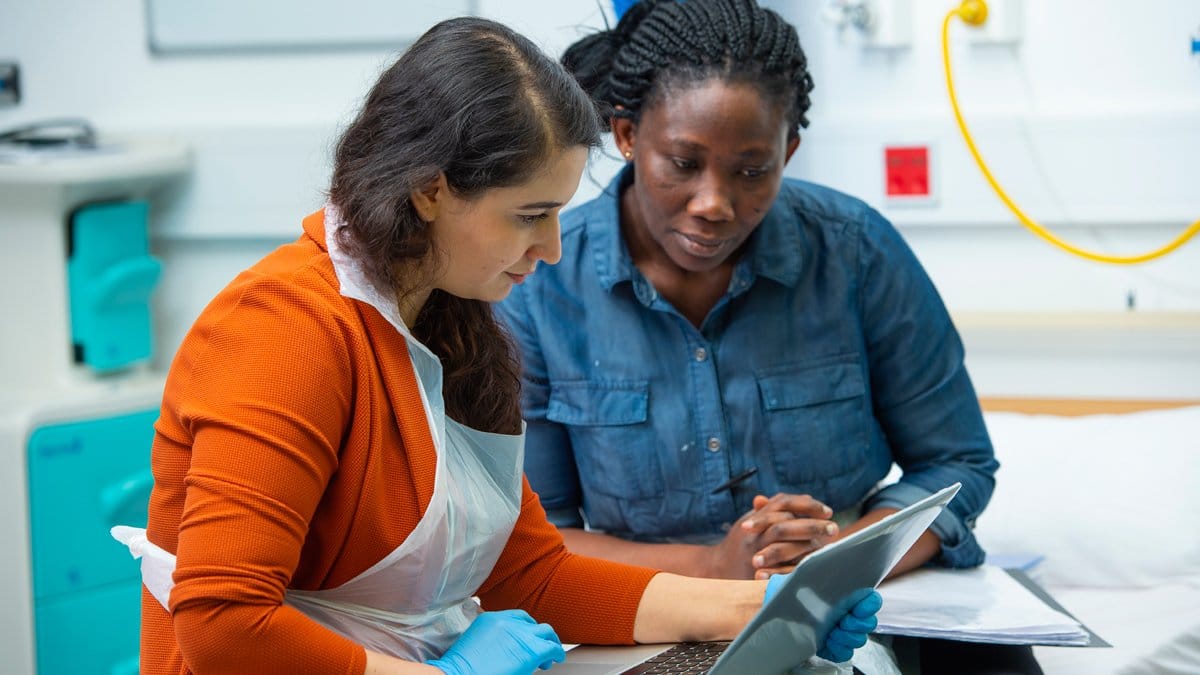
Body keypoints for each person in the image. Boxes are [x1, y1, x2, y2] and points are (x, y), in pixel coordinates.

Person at [114, 15, 879, 675]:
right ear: (430, 190)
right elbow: (224, 624)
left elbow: (529, 576)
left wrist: (765, 604)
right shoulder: (283, 327)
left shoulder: (452, 323)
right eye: (529, 214)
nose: (551, 248)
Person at [496, 0, 1039, 672]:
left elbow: (957, 464)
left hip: (860, 603)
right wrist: (714, 565)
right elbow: (536, 541)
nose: (714, 203)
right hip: (653, 615)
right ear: (628, 135)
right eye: (682, 163)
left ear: (789, 151)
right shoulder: (537, 287)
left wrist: (834, 558)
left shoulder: (856, 252)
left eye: (752, 170)